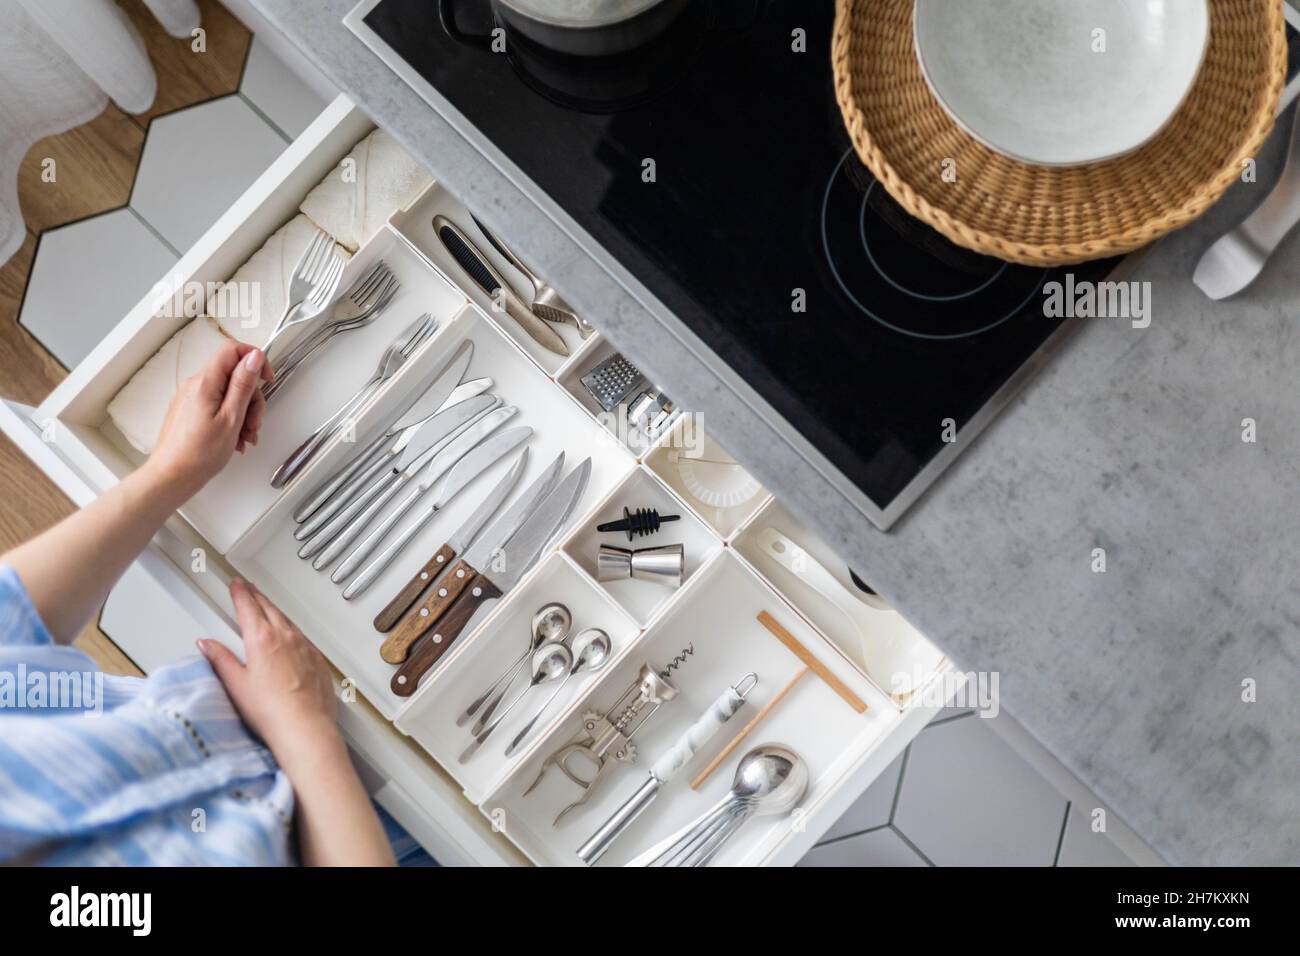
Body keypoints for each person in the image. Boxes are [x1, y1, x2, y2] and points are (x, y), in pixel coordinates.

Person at [0, 341, 396, 866]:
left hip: (270, 693)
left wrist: (172, 470)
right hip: (353, 826)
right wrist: (305, 728)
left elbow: (12, 621)